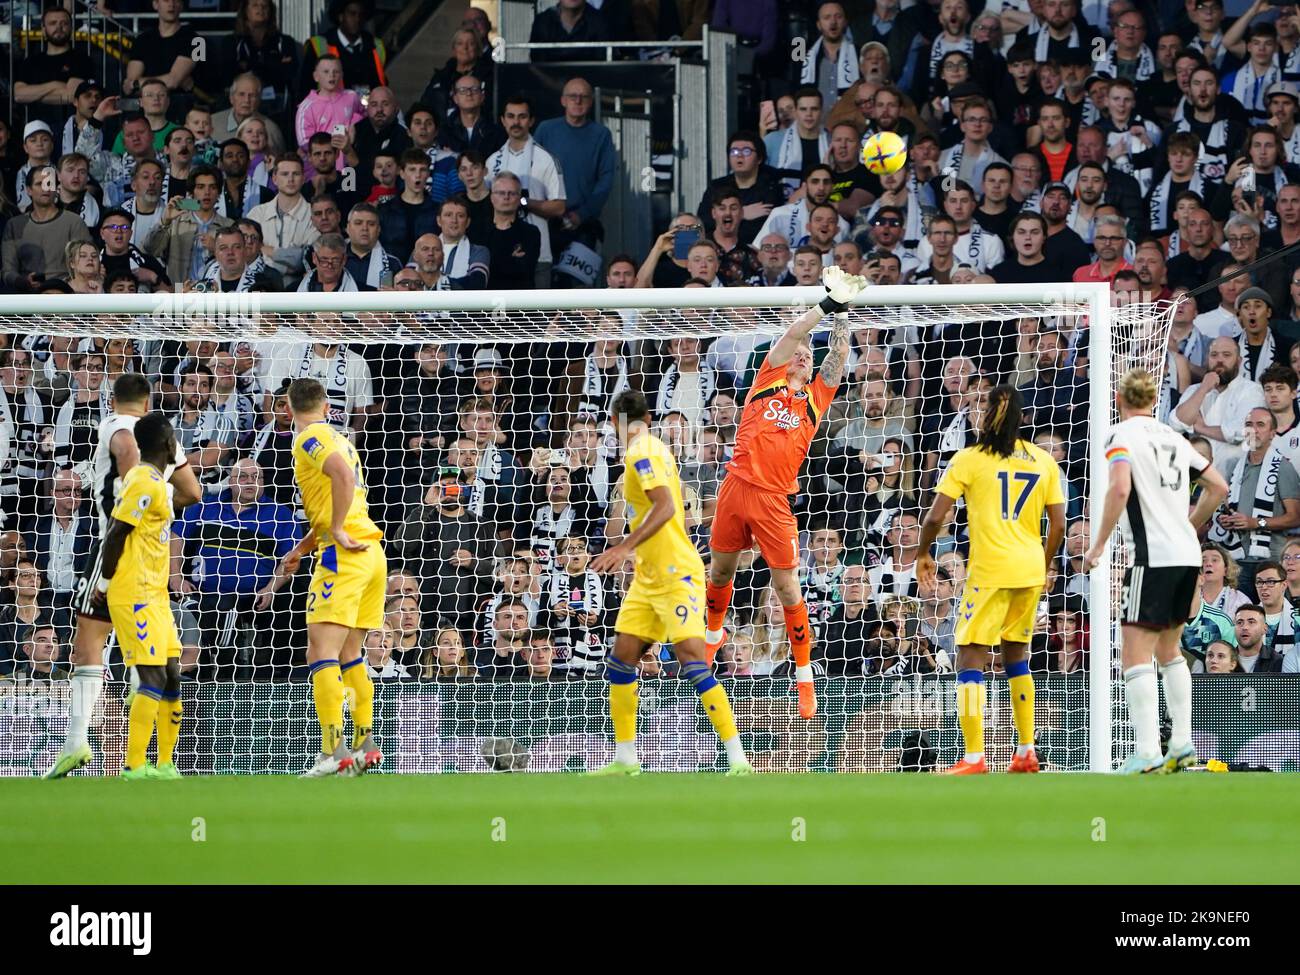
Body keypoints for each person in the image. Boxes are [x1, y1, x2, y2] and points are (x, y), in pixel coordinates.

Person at [705, 265, 866, 720]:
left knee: (788, 589)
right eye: (798, 354)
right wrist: (824, 305)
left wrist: (842, 315)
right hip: (736, 488)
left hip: (776, 500)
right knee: (719, 574)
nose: (802, 356)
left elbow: (838, 355)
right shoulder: (767, 380)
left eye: (807, 358)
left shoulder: (815, 400)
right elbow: (795, 333)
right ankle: (712, 641)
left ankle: (804, 679)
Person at [43, 374, 201, 780]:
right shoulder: (166, 439)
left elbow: (128, 455)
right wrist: (159, 502)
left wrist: (136, 494)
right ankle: (146, 754)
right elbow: (192, 492)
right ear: (148, 404)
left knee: (89, 642)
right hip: (152, 564)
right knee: (159, 663)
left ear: (115, 401)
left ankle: (79, 739)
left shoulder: (115, 425)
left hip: (116, 554)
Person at [586, 389, 751, 776]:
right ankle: (626, 759)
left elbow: (666, 506)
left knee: (692, 659)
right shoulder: (653, 446)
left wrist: (622, 548)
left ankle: (737, 756)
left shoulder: (641, 451)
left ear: (614, 422)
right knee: (622, 659)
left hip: (677, 573)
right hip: (648, 578)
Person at [1083, 369, 1229, 773]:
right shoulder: (1174, 438)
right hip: (1187, 555)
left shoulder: (1121, 436)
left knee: (1134, 651)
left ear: (1118, 398)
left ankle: (1147, 752)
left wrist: (1098, 545)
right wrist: (1191, 522)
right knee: (1169, 651)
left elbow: (1120, 489)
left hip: (1152, 558)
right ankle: (1182, 743)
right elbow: (1218, 486)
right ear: (1153, 400)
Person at [916, 384, 1067, 774]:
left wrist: (922, 553)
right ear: (1022, 418)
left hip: (990, 570)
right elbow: (1059, 524)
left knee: (970, 655)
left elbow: (935, 517)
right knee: (1017, 656)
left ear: (988, 416)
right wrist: (1045, 563)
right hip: (1029, 570)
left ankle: (974, 756)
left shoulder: (969, 458)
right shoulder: (1043, 460)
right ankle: (1025, 750)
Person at [257, 379, 386, 777]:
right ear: (327, 405)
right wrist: (300, 549)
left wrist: (337, 533)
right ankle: (364, 747)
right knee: (351, 654)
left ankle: (334, 751)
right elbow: (337, 496)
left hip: (343, 554)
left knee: (320, 652)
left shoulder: (308, 438)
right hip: (370, 555)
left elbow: (342, 477)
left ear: (287, 409)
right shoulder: (341, 436)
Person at [84, 411, 187, 781]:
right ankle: (134, 764)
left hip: (155, 594)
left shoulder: (156, 481)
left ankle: (164, 764)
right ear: (166, 443)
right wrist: (105, 584)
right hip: (133, 592)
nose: (177, 443)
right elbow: (115, 533)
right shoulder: (143, 481)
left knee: (172, 673)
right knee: (153, 675)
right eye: (174, 437)